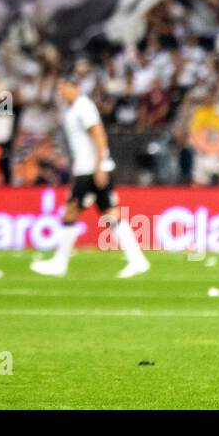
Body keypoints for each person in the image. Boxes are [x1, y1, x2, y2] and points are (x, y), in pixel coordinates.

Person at [30, 68, 150, 280]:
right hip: (91, 167)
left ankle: (59, 263)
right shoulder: (75, 108)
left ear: (73, 86)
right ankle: (137, 260)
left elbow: (98, 135)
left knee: (71, 212)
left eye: (62, 88)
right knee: (111, 213)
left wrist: (99, 165)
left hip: (90, 170)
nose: (60, 92)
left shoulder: (82, 107)